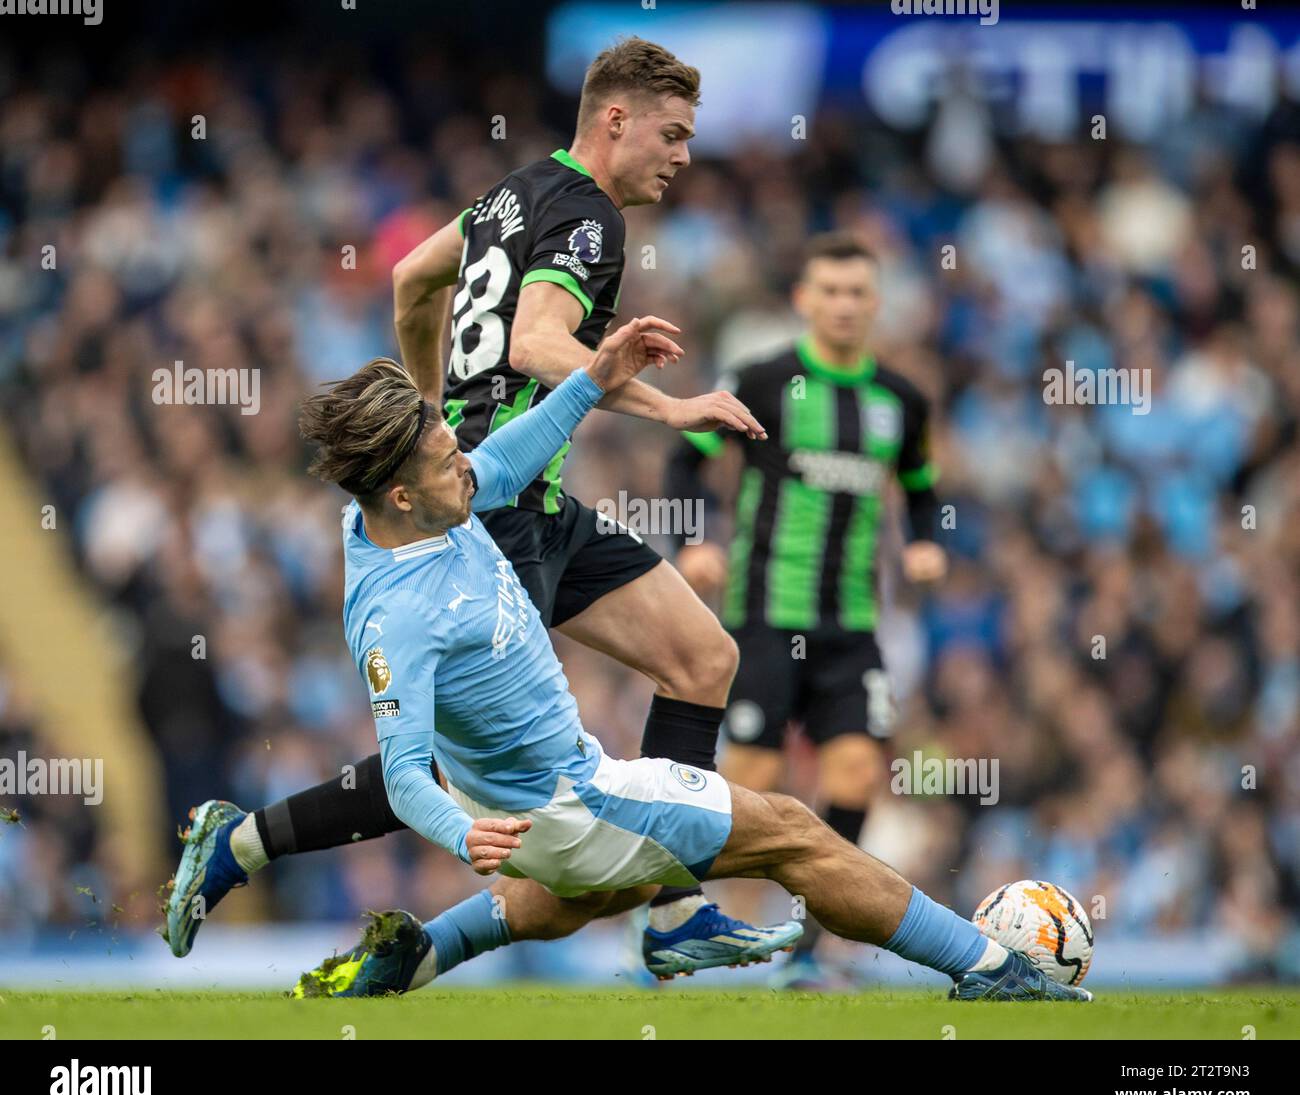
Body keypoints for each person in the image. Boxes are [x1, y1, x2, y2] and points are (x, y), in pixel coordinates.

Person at [165, 37, 797, 978]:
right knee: (450, 764)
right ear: (615, 120)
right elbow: (538, 340)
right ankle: (243, 841)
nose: (684, 155)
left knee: (703, 657)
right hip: (489, 513)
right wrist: (669, 406)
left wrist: (429, 409)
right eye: (672, 134)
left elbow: (412, 279)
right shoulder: (590, 217)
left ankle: (674, 911)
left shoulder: (513, 193)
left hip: (535, 498)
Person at [277, 321, 1088, 1002]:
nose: (469, 465)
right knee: (793, 832)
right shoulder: (396, 614)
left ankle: (416, 953)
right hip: (572, 799)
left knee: (601, 887)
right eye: (448, 461)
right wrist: (463, 836)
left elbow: (506, 462)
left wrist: (595, 378)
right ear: (402, 496)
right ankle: (993, 967)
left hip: (543, 809)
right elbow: (403, 771)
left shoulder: (397, 514)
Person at [664, 232, 947, 987]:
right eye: (830, 291)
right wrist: (694, 540)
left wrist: (926, 542)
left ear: (876, 303)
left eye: (858, 292)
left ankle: (812, 950)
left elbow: (922, 486)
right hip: (765, 615)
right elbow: (686, 458)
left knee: (855, 774)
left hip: (852, 625)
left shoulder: (901, 399)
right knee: (750, 784)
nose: (844, 305)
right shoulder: (762, 381)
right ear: (804, 299)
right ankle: (684, 918)